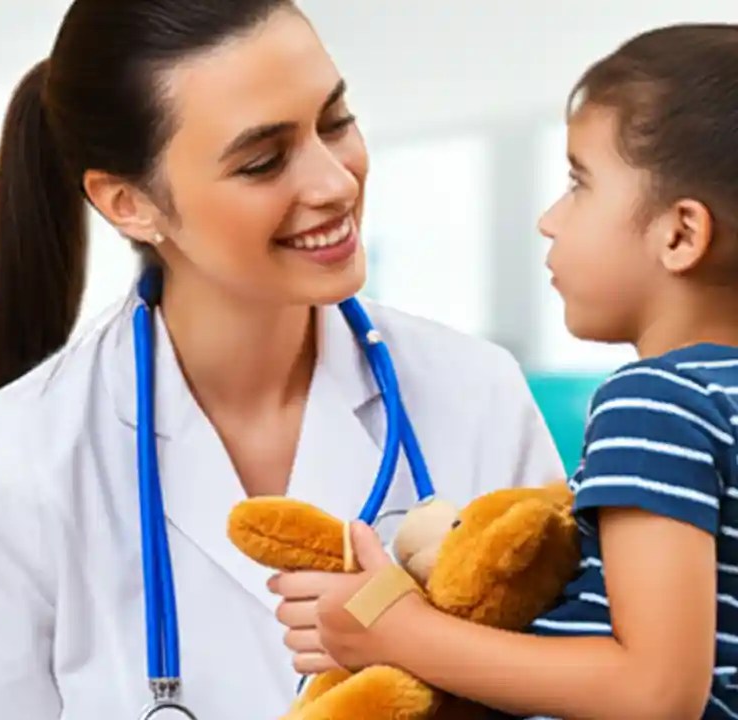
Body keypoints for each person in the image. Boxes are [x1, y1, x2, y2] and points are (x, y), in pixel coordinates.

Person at [0, 1, 564, 718]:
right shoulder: (24, 451)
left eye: (335, 121)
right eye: (263, 161)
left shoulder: (473, 392)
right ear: (129, 203)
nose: (335, 182)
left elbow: (585, 687)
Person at [271, 22, 738, 720]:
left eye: (579, 183)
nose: (550, 220)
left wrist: (400, 631)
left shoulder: (655, 403)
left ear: (680, 234)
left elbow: (655, 691)